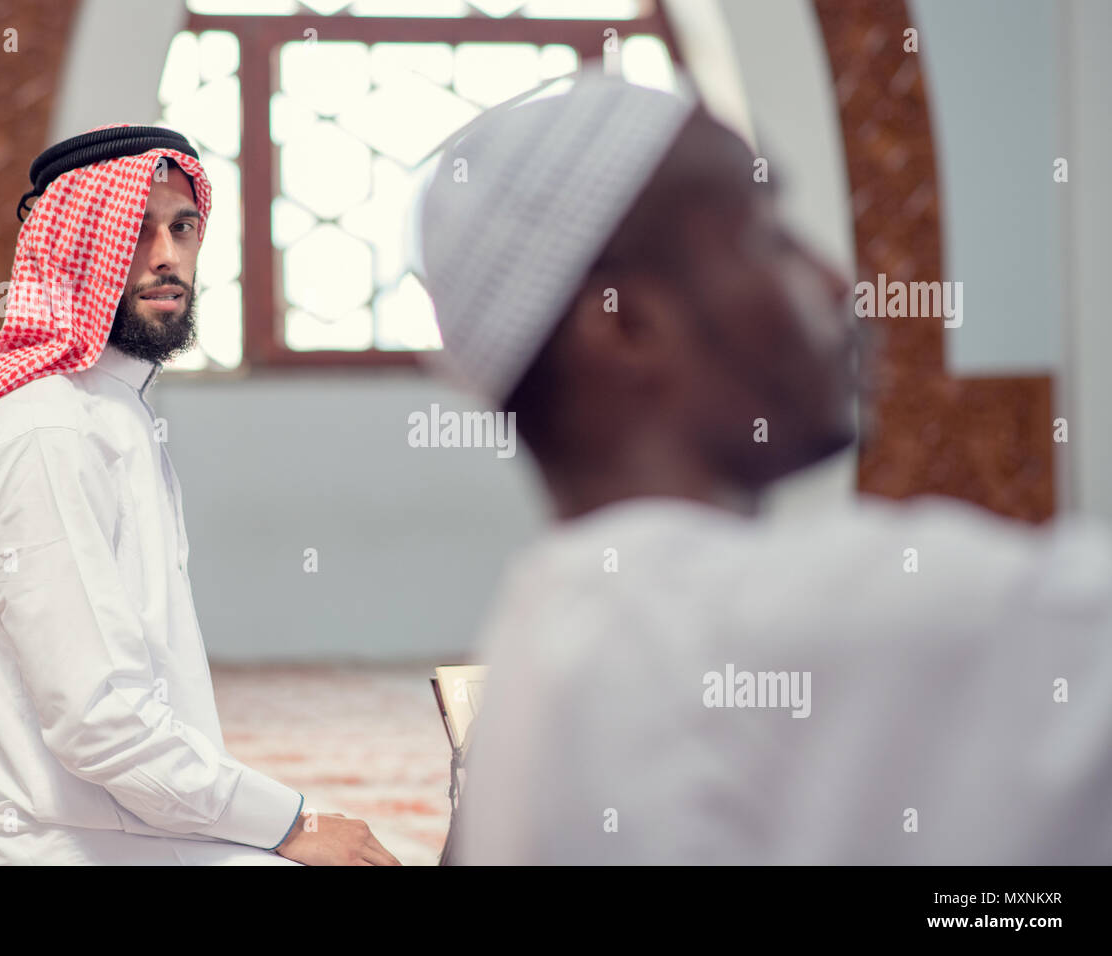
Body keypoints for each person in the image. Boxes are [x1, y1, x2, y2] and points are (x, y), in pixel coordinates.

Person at [414, 71, 1112, 864]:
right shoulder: (795, 621)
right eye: (769, 236)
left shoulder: (542, 634)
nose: (837, 284)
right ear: (628, 328)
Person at [0, 125, 399, 866]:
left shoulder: (109, 407)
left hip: (130, 828)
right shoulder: (49, 430)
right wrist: (293, 823)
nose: (168, 257)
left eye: (183, 227)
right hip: (73, 847)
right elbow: (99, 720)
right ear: (70, 247)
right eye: (131, 231)